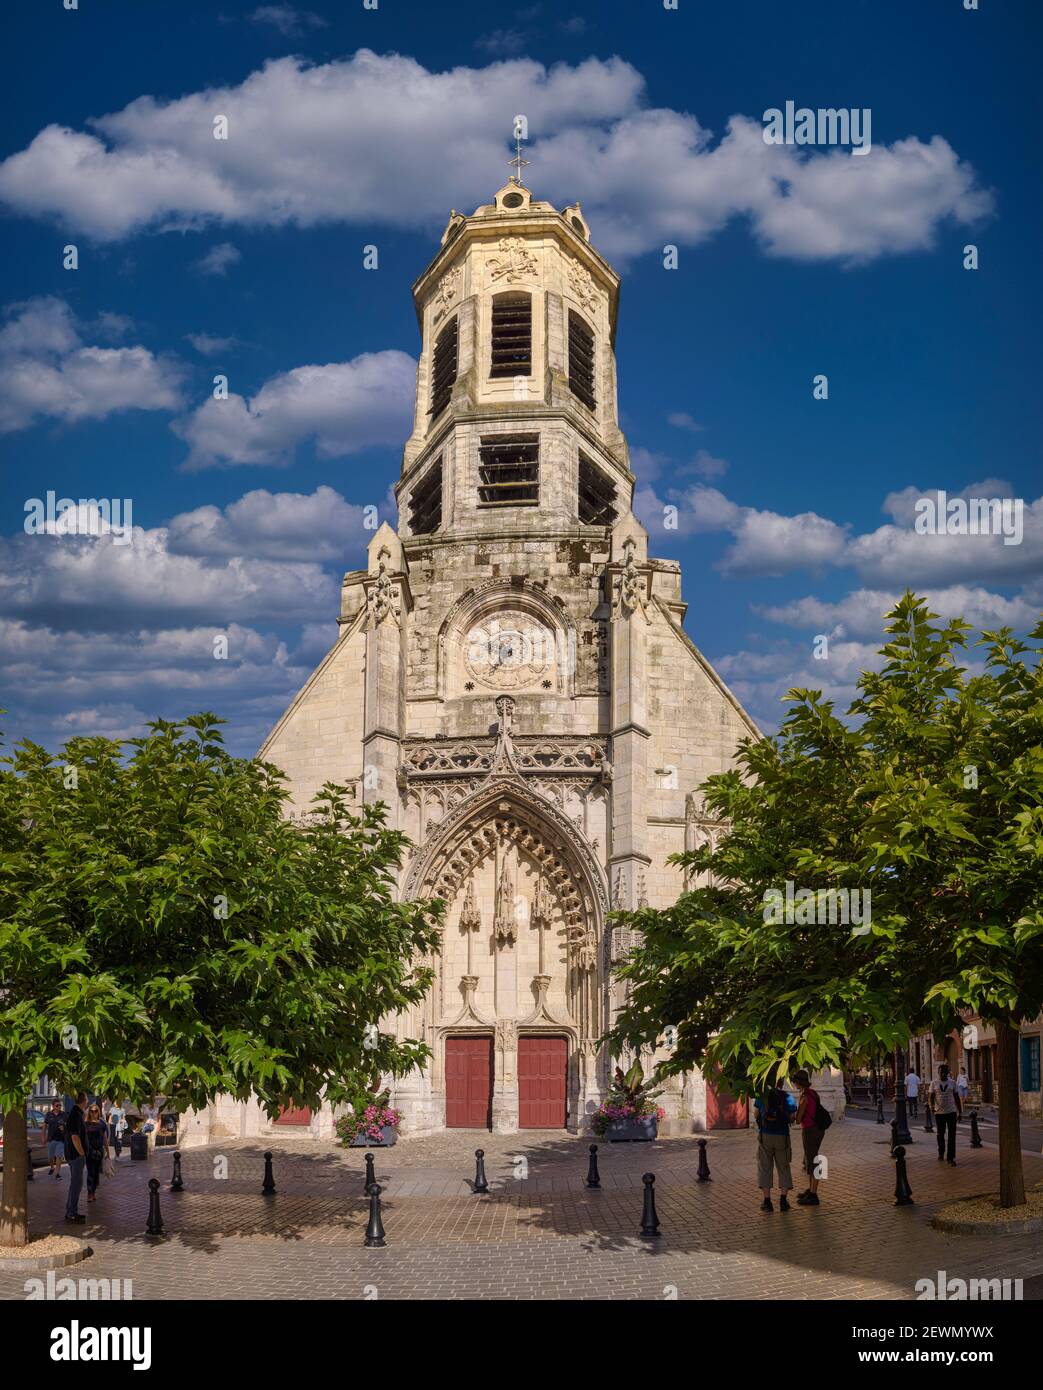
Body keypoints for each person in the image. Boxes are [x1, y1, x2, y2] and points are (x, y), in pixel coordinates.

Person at [754, 1072, 796, 1212]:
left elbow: (756, 1114)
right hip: (782, 1136)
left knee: (765, 1168)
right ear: (782, 1082)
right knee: (783, 1167)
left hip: (765, 1135)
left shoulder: (762, 1096)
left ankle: (767, 1202)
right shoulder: (788, 1097)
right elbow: (792, 1117)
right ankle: (783, 1201)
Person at [792, 1070, 826, 1206]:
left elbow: (798, 1119)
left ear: (799, 1082)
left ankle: (813, 1194)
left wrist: (794, 1114)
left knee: (813, 1161)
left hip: (809, 1130)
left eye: (795, 1082)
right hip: (819, 1129)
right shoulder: (814, 1093)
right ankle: (811, 1189)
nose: (794, 1084)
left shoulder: (804, 1097)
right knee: (810, 1159)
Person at [63, 1093, 88, 1223]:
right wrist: (82, 1153)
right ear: (84, 1101)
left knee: (75, 1183)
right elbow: (75, 1137)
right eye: (87, 1100)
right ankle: (72, 1213)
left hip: (72, 1154)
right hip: (76, 1155)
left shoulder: (75, 1114)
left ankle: (71, 1210)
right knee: (76, 1184)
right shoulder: (76, 1115)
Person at [930, 1064, 962, 1165]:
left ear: (948, 1073)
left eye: (945, 1072)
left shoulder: (952, 1083)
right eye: (941, 1072)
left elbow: (956, 1097)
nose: (943, 1074)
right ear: (938, 1073)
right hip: (939, 1113)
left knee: (952, 1135)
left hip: (951, 1112)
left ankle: (951, 1157)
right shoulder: (934, 1083)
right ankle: (941, 1152)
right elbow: (931, 1096)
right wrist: (931, 1107)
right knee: (940, 1134)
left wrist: (960, 1112)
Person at [84, 1103, 110, 1202]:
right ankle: (89, 1193)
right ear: (89, 1112)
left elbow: (104, 1138)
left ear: (98, 1111)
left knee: (96, 1173)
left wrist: (108, 1151)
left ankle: (93, 1192)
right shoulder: (86, 1123)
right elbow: (83, 1138)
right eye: (92, 1111)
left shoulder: (102, 1123)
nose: (94, 1113)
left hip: (99, 1150)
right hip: (90, 1150)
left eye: (96, 1111)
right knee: (90, 1172)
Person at [43, 1099, 66, 1179]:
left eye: (60, 1105)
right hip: (51, 1139)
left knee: (59, 1156)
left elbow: (69, 1126)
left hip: (61, 1139)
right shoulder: (48, 1114)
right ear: (53, 1106)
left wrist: (64, 1128)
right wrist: (43, 1137)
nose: (59, 1107)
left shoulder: (64, 1114)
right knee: (50, 1156)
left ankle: (57, 1173)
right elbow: (44, 1126)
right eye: (57, 1105)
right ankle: (52, 1167)